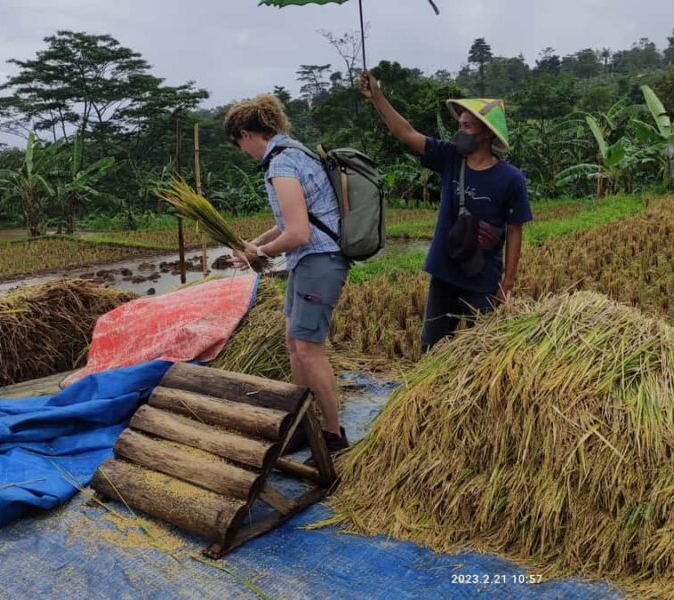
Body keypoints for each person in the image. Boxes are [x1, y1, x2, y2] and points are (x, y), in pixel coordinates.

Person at [358, 71, 533, 353]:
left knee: (484, 352)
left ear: (487, 133)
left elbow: (514, 230)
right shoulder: (450, 158)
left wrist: (507, 284)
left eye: (467, 127)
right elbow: (405, 134)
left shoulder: (510, 179)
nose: (460, 131)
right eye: (460, 125)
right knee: (432, 349)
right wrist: (377, 96)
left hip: (483, 279)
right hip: (444, 274)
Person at [224, 94, 350, 457]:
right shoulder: (292, 153)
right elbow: (291, 221)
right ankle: (303, 423)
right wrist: (255, 243)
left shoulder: (281, 164)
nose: (243, 151)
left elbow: (298, 233)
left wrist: (260, 254)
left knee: (310, 350)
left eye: (239, 144)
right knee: (295, 345)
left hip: (318, 260)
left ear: (247, 134)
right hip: (304, 261)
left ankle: (333, 434)